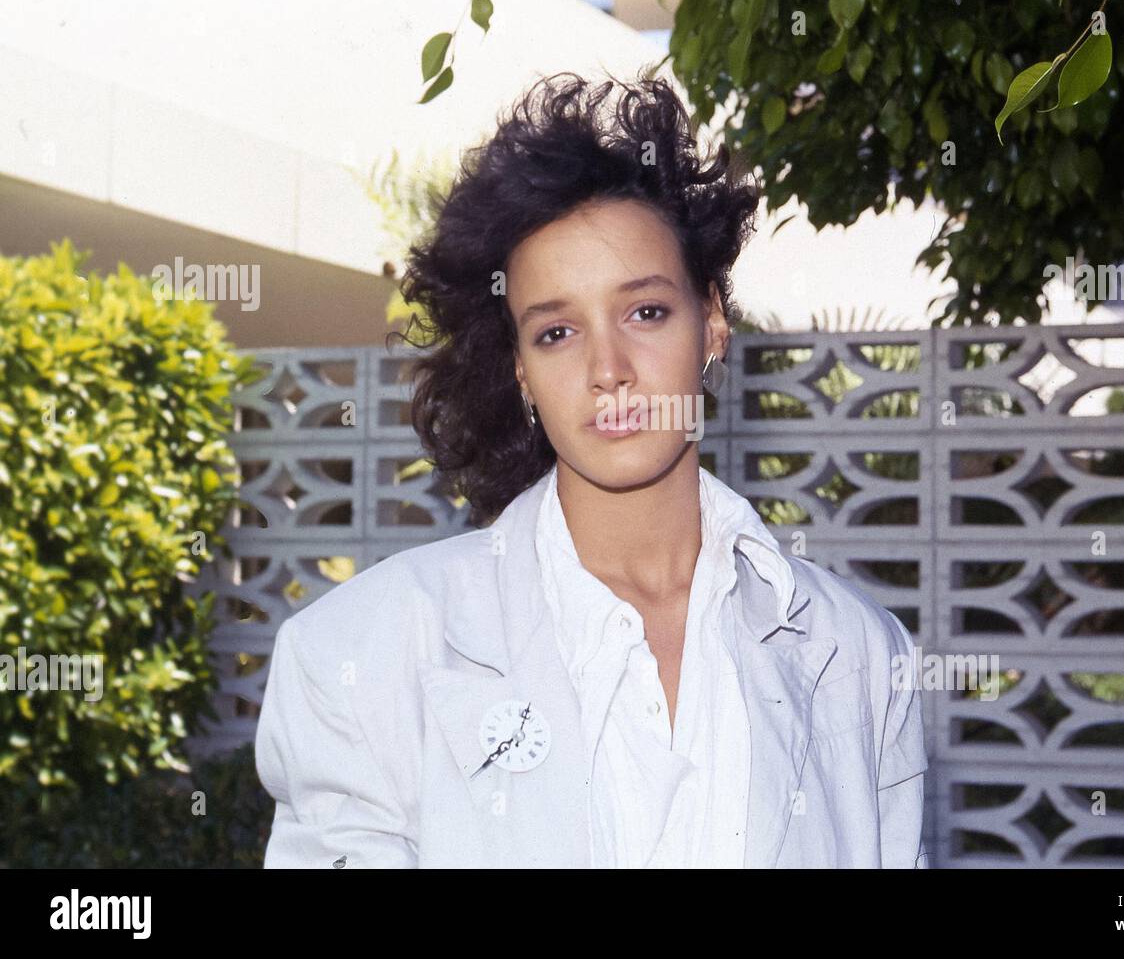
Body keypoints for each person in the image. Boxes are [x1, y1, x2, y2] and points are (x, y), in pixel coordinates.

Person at [255, 67, 929, 868]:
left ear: (712, 320)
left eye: (645, 311)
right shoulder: (358, 656)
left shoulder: (859, 653)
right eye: (556, 332)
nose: (609, 367)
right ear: (518, 369)